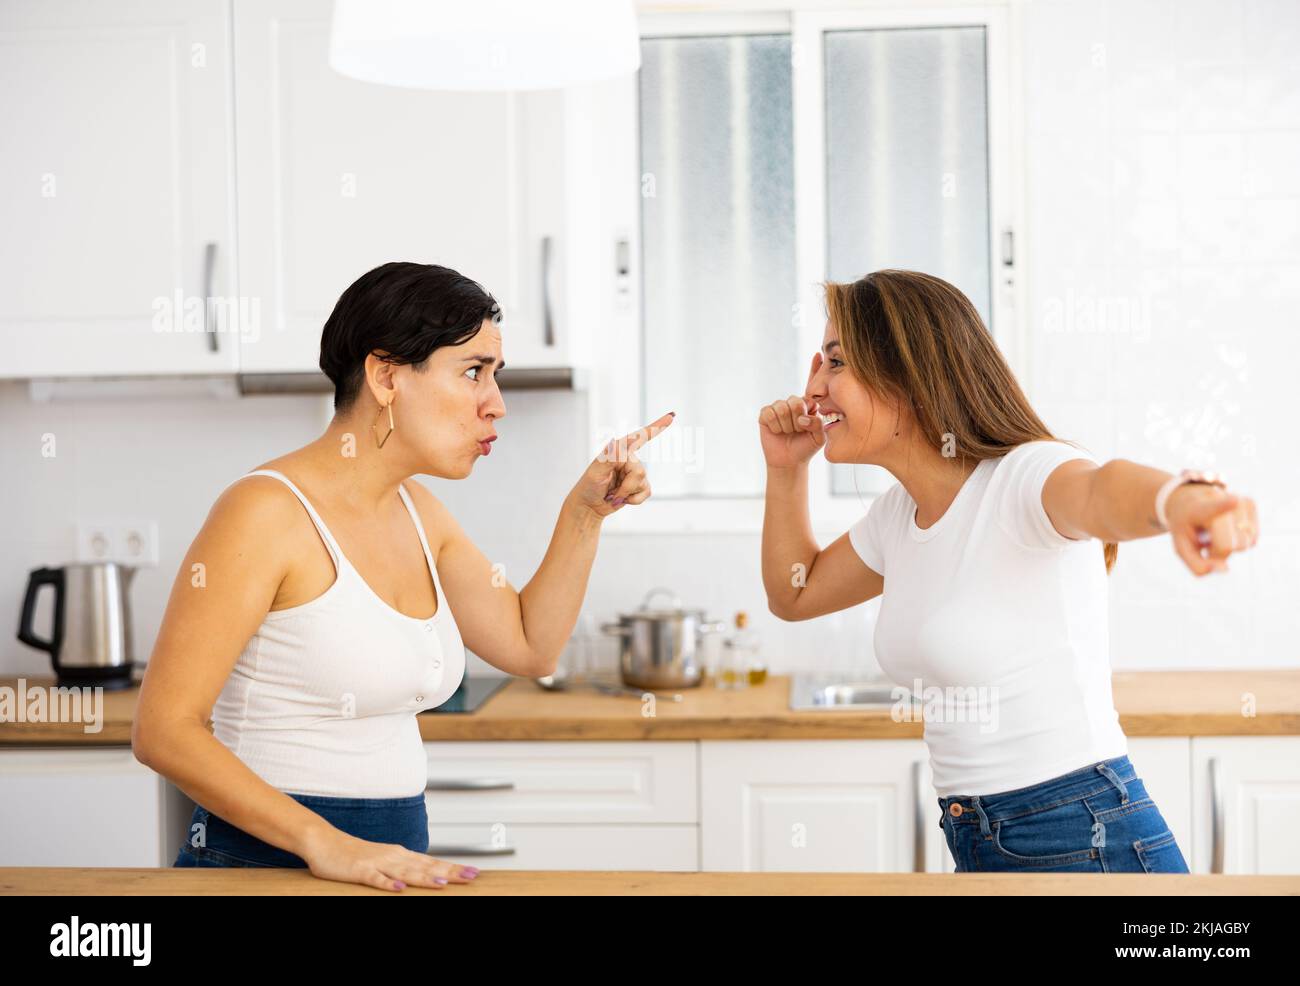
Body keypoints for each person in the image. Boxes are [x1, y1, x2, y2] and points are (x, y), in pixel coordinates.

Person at [133, 261, 672, 891]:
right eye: (473, 371)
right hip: (263, 866)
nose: (496, 404)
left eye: (495, 376)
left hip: (387, 861)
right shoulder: (264, 512)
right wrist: (328, 845)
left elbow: (529, 645)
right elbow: (163, 730)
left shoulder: (419, 512)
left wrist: (585, 514)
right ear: (386, 376)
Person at [759, 269, 1259, 873]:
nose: (812, 388)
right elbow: (796, 593)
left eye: (835, 362)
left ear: (909, 373)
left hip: (1082, 831)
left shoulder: (1023, 478)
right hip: (980, 836)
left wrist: (1179, 501)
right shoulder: (898, 517)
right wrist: (787, 470)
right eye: (817, 363)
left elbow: (1102, 489)